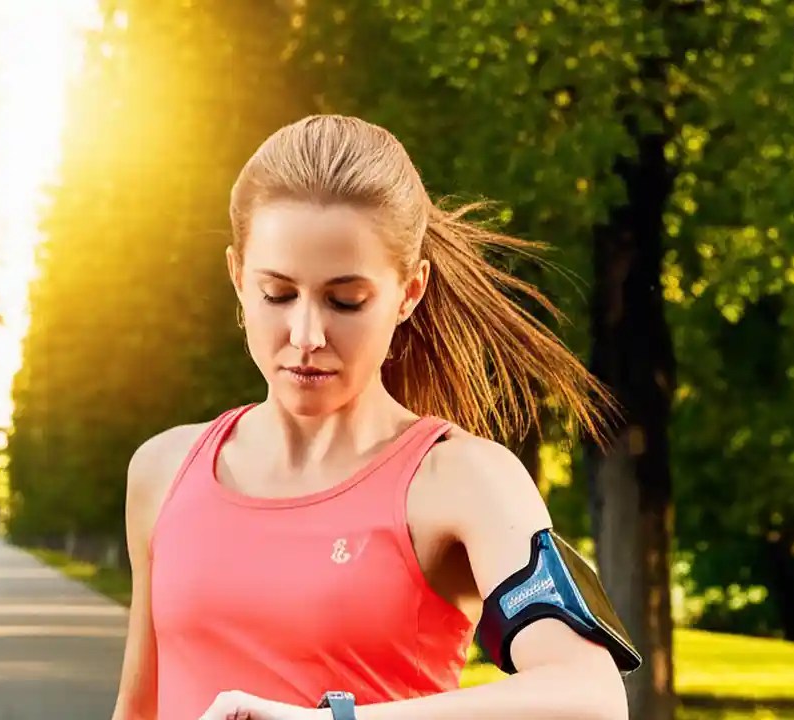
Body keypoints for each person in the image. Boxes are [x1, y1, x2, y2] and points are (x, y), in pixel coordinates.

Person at [111, 114, 639, 720]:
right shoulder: (163, 470)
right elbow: (137, 706)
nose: (306, 334)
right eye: (277, 294)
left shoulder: (461, 481)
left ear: (408, 292)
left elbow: (590, 699)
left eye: (346, 301)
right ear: (237, 276)